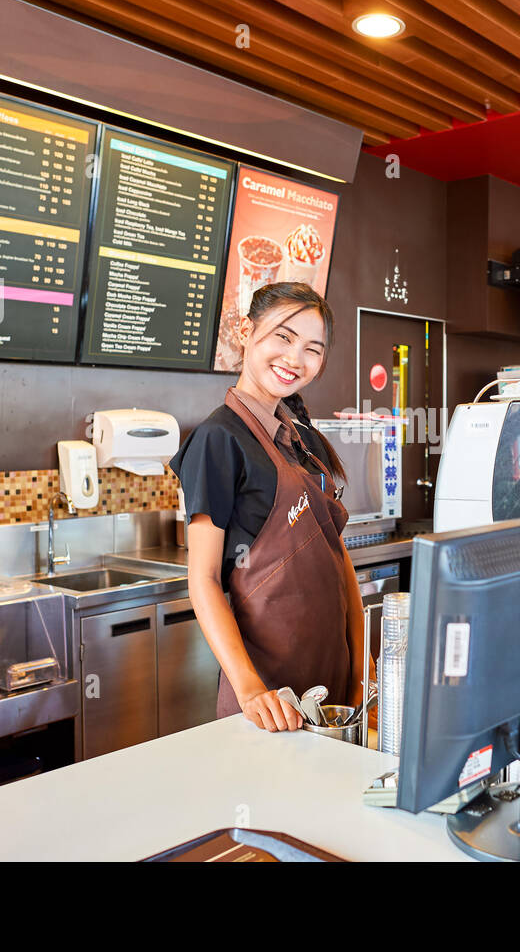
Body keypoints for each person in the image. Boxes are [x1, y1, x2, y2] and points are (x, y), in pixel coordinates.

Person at [175, 282, 368, 732]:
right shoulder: (218, 440)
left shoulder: (303, 439)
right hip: (271, 700)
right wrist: (249, 688)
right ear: (247, 332)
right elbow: (202, 578)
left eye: (312, 348)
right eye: (283, 337)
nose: (295, 359)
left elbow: (339, 561)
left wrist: (363, 665)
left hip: (335, 689)